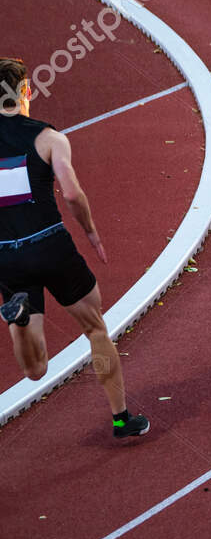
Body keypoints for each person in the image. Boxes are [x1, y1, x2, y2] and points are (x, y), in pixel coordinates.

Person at [0, 58, 148, 439]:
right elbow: (71, 193)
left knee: (35, 370)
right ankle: (121, 419)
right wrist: (92, 233)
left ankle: (17, 316)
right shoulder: (48, 138)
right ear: (26, 92)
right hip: (50, 243)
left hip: (7, 257)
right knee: (96, 327)